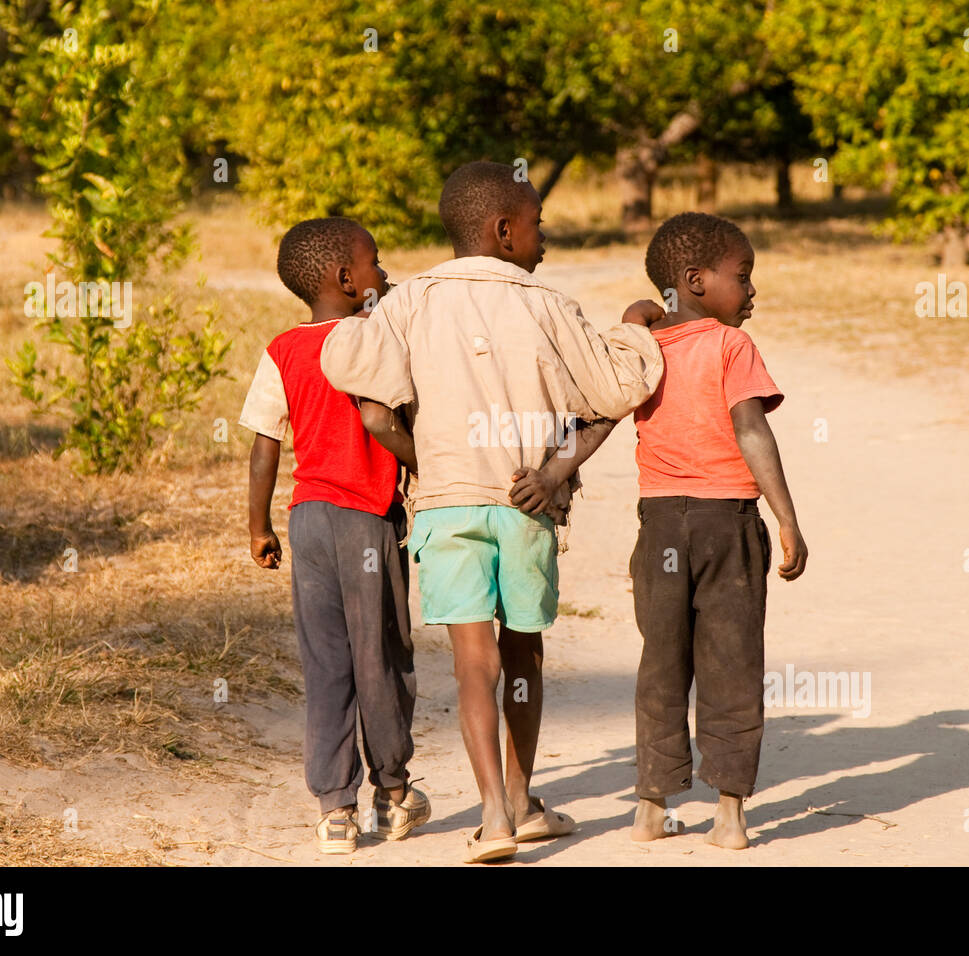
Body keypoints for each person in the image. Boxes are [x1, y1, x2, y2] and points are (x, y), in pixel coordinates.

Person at [319, 161, 663, 862]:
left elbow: (357, 379)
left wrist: (425, 457)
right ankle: (525, 796)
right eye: (537, 225)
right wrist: (631, 330)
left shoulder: (411, 303)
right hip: (523, 502)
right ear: (504, 232)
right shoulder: (549, 305)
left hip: (447, 506)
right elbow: (618, 389)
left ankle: (496, 818)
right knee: (524, 651)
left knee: (472, 660)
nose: (545, 239)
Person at [239, 217, 428, 855]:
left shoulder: (281, 348)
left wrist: (258, 524)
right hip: (366, 522)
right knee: (380, 657)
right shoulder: (373, 338)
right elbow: (395, 418)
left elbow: (266, 444)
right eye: (374, 261)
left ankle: (334, 809)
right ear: (347, 279)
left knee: (326, 663)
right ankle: (395, 792)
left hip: (307, 517)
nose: (383, 269)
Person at [627, 212, 809, 849]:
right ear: (695, 280)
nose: (753, 289)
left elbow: (598, 410)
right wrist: (786, 517)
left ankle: (652, 805)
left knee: (661, 661)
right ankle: (728, 814)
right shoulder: (731, 346)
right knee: (732, 665)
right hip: (727, 522)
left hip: (659, 527)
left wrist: (633, 321)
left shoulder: (641, 348)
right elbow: (752, 429)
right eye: (744, 275)